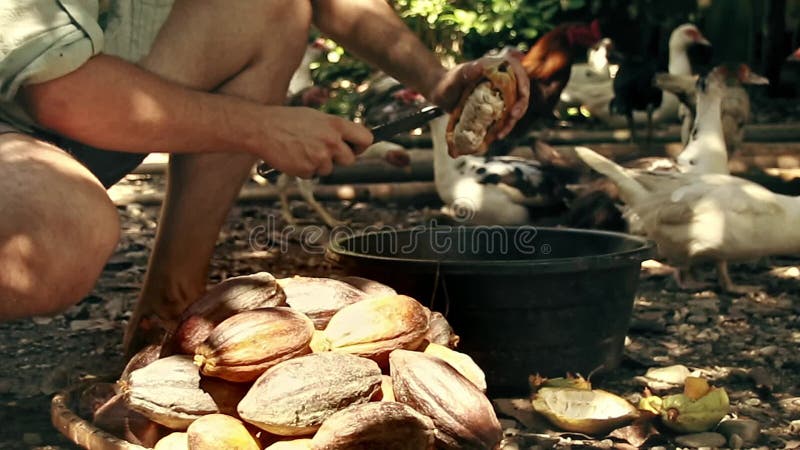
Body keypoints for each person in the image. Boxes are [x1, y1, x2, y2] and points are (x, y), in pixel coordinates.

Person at [0, 0, 530, 355]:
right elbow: (61, 92)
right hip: (26, 123)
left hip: (92, 111)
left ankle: (169, 308)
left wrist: (436, 81)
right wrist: (262, 128)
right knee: (58, 240)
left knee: (272, 7)